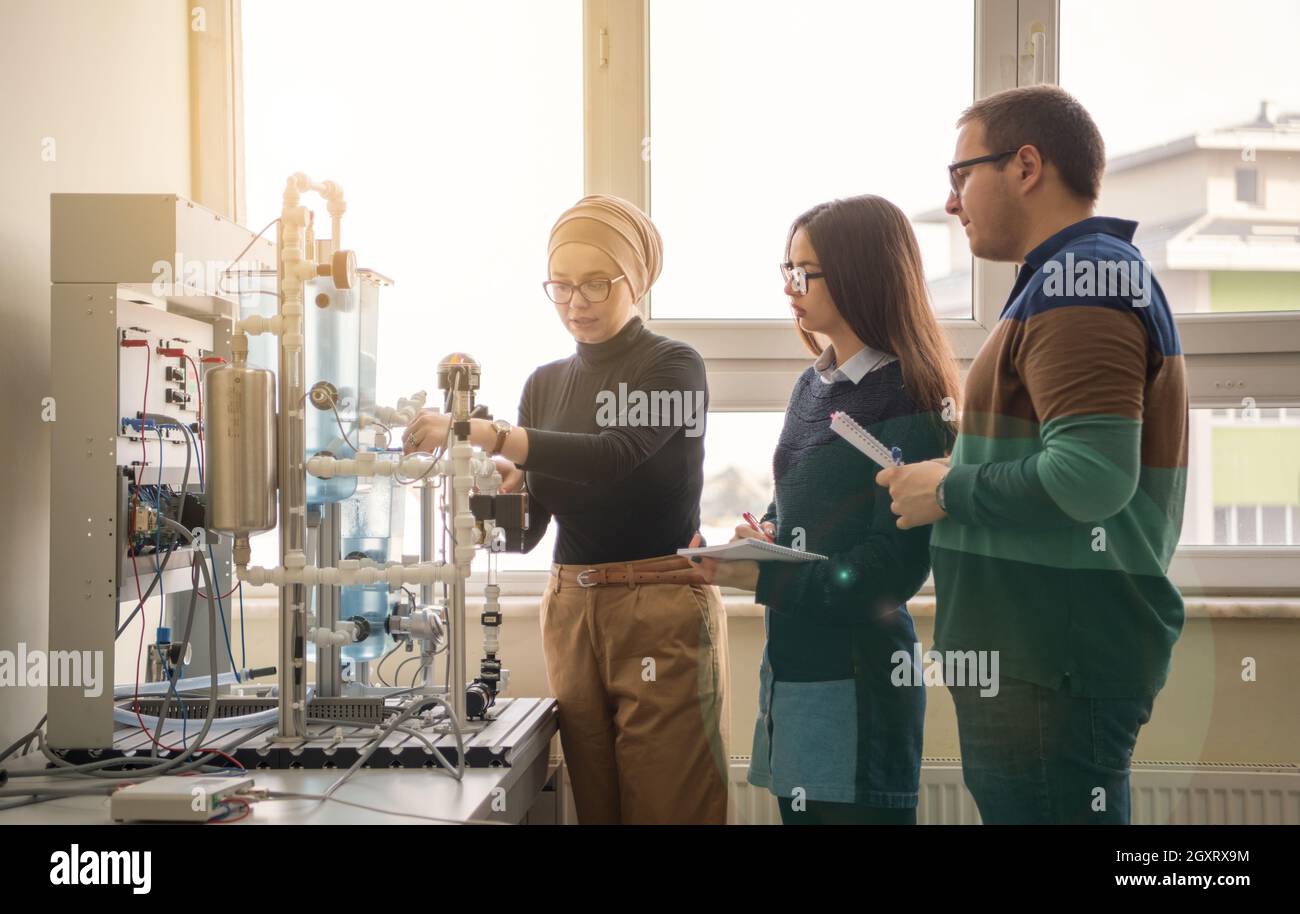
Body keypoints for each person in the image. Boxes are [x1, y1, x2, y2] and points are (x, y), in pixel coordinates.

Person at [878, 85, 1188, 824]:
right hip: (1044, 659)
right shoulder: (1068, 279)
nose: (952, 203)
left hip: (1051, 662)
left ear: (1025, 165)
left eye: (961, 176)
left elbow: (1091, 478)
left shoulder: (1081, 284)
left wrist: (948, 490)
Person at [404, 194, 729, 825]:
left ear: (634, 281)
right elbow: (527, 532)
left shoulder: (672, 365)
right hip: (572, 608)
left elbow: (613, 454)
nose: (575, 302)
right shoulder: (545, 384)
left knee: (670, 807)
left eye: (594, 284)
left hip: (657, 604)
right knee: (596, 807)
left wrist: (481, 432)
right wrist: (490, 491)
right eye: (559, 286)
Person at [695, 194, 958, 825]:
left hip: (861, 680)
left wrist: (764, 576)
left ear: (863, 272)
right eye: (787, 270)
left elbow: (888, 572)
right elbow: (803, 503)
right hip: (797, 663)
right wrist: (766, 535)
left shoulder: (913, 396)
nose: (791, 287)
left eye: (804, 272)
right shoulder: (813, 384)